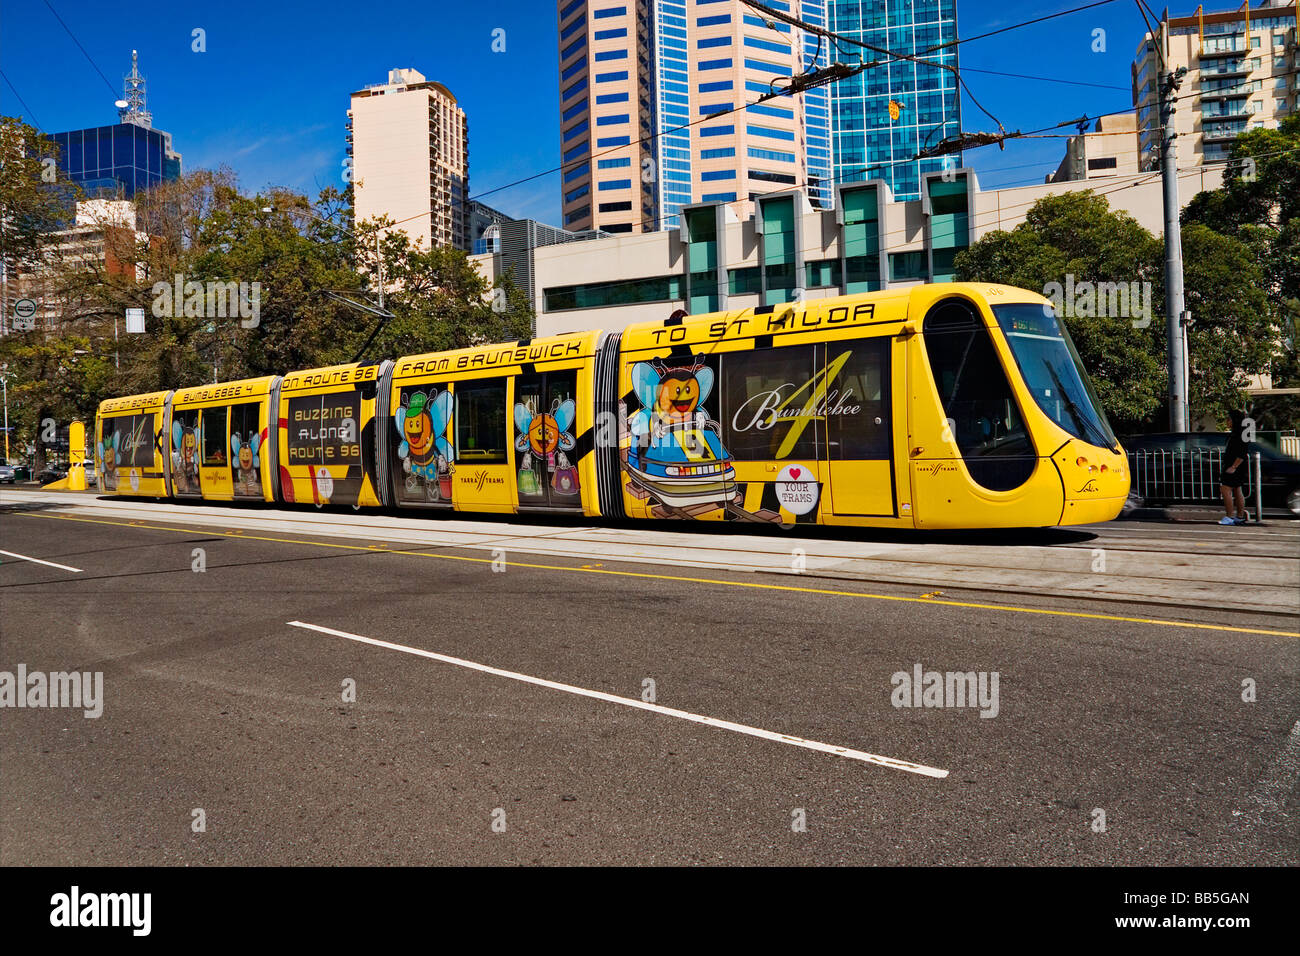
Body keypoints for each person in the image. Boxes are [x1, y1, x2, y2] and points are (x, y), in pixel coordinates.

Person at [1218, 410, 1250, 525]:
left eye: (1229, 419)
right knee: (1237, 490)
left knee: (1225, 489)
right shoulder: (1240, 433)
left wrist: (1233, 467)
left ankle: (1229, 516)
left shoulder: (1239, 435)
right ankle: (1239, 516)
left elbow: (1242, 453)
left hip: (1234, 466)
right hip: (1236, 466)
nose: (1227, 421)